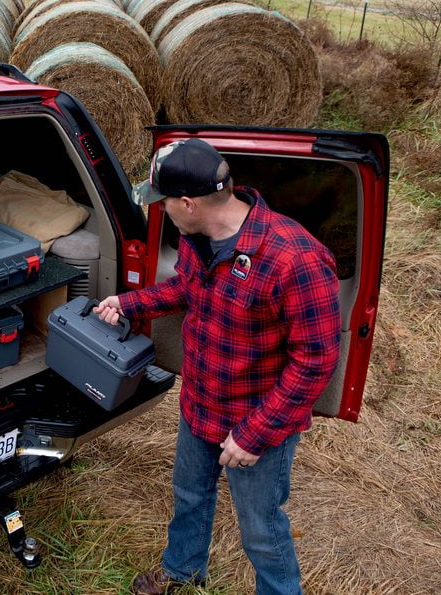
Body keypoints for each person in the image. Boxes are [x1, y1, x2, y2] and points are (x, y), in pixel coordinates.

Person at [94, 139, 341, 595]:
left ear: (187, 203)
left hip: (255, 418)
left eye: (164, 201)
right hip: (201, 402)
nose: (161, 210)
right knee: (189, 497)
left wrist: (255, 434)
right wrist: (129, 303)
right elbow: (188, 290)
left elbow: (315, 360)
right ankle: (183, 569)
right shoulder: (198, 237)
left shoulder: (295, 259)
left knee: (261, 530)